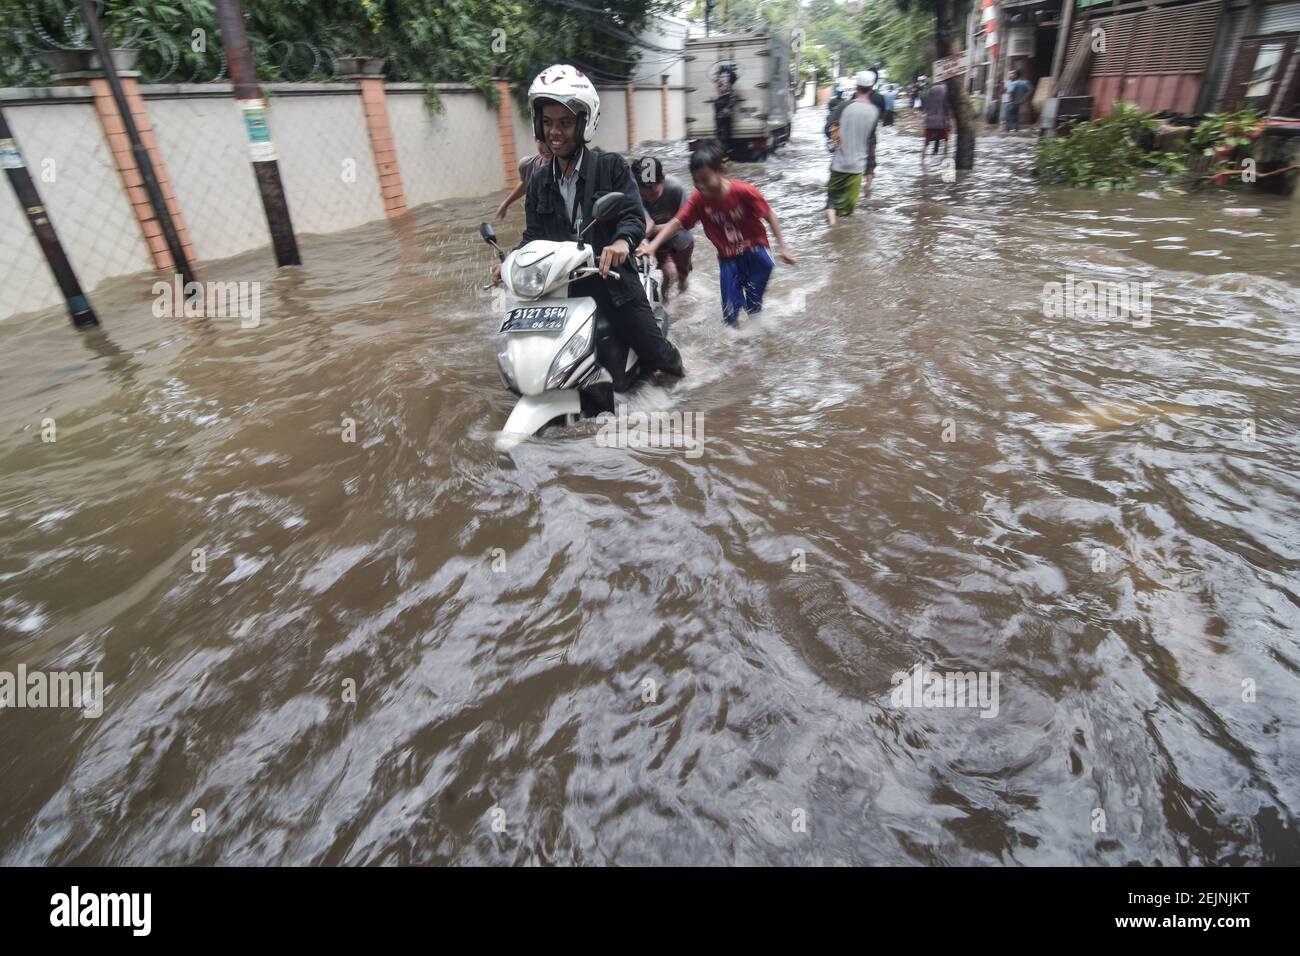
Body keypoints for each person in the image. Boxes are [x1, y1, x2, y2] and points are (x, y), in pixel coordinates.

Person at [491, 64, 684, 392]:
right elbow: (534, 236)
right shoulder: (538, 181)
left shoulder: (611, 167)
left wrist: (623, 242)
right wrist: (509, 261)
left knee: (654, 351)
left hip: (613, 283)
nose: (555, 131)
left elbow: (634, 216)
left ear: (583, 123)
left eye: (565, 123)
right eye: (548, 122)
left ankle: (682, 374)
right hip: (558, 289)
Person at [637, 141, 795, 329]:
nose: (701, 186)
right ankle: (736, 349)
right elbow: (677, 223)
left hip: (757, 254)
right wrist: (652, 247)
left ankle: (756, 345)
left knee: (754, 309)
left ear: (721, 170)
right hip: (729, 260)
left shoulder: (745, 192)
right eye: (696, 181)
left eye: (705, 179)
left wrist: (782, 246)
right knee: (729, 314)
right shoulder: (698, 199)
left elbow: (769, 215)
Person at [631, 156, 694, 303]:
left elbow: (686, 222)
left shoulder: (676, 188)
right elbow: (644, 223)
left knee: (682, 276)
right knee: (669, 273)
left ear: (663, 180)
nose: (650, 199)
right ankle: (665, 302)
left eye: (653, 194)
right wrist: (643, 239)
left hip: (681, 240)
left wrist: (655, 230)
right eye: (645, 195)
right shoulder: (635, 194)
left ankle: (682, 293)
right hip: (658, 242)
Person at [825, 70, 880, 225]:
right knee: (848, 210)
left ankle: (832, 226)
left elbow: (828, 127)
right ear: (872, 87)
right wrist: (870, 172)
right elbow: (871, 143)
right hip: (857, 167)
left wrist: (836, 137)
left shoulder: (844, 106)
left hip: (838, 163)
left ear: (857, 86)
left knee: (832, 201)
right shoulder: (874, 112)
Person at [495, 139, 552, 219]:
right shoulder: (528, 165)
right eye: (542, 142)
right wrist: (506, 204)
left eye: (550, 141)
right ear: (535, 140)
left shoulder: (564, 167)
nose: (547, 148)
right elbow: (525, 183)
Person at [921, 76, 951, 159]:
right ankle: (945, 159)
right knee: (946, 140)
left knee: (926, 142)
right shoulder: (946, 90)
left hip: (929, 121)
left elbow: (926, 106)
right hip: (941, 121)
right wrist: (948, 120)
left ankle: (922, 161)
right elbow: (947, 107)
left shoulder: (931, 90)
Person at [714, 63, 738, 152]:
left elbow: (717, 79)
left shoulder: (722, 85)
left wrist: (719, 70)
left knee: (719, 132)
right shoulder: (730, 89)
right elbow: (732, 101)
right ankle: (725, 150)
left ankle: (721, 150)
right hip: (724, 111)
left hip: (719, 109)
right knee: (726, 133)